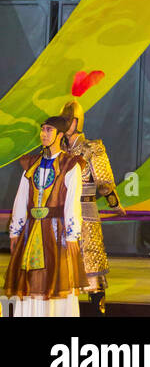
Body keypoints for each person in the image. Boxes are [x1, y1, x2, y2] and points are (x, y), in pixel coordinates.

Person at [4, 113, 88, 316]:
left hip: (56, 232)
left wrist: (72, 235)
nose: (43, 134)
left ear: (60, 135)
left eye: (49, 130)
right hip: (32, 231)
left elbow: (72, 203)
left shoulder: (70, 165)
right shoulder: (31, 164)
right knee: (30, 277)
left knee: (57, 278)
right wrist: (15, 231)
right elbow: (21, 198)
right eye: (42, 129)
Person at [61, 69, 124, 315]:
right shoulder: (57, 149)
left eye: (68, 120)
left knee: (92, 270)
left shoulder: (92, 148)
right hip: (62, 215)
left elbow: (104, 181)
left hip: (86, 214)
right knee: (63, 273)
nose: (65, 124)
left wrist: (114, 203)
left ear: (77, 122)